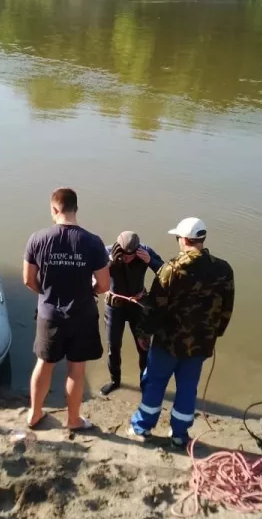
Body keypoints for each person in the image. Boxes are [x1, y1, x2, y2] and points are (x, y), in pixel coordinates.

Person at [128, 217, 234, 447]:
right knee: (187, 387)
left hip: (167, 343)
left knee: (155, 382)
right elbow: (227, 309)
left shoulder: (172, 269)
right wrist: (214, 335)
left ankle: (142, 427)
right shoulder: (223, 269)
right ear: (201, 239)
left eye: (178, 238)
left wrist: (143, 333)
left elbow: (155, 307)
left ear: (184, 239)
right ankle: (179, 434)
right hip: (200, 345)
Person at [23, 187, 110, 432]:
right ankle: (73, 420)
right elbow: (104, 284)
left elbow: (28, 279)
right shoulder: (92, 242)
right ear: (76, 210)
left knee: (44, 363)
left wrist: (47, 293)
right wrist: (89, 289)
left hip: (49, 313)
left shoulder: (37, 239)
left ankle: (34, 413)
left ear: (54, 209)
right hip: (82, 314)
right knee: (76, 368)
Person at [99, 231, 163, 396]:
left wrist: (150, 261)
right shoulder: (107, 252)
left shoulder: (144, 251)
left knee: (143, 347)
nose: (128, 258)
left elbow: (165, 273)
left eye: (131, 255)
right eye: (124, 255)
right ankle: (115, 380)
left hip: (139, 304)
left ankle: (145, 382)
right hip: (115, 307)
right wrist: (110, 262)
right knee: (113, 346)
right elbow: (94, 277)